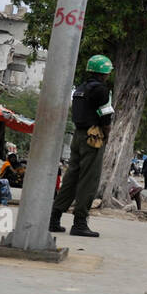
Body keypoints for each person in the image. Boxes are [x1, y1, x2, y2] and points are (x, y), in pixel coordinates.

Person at [50, 55, 114, 238]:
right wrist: (107, 135)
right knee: (89, 180)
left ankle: (54, 219)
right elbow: (105, 117)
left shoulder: (80, 89)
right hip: (93, 137)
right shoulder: (101, 90)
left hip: (78, 136)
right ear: (104, 72)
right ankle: (80, 223)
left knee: (71, 178)